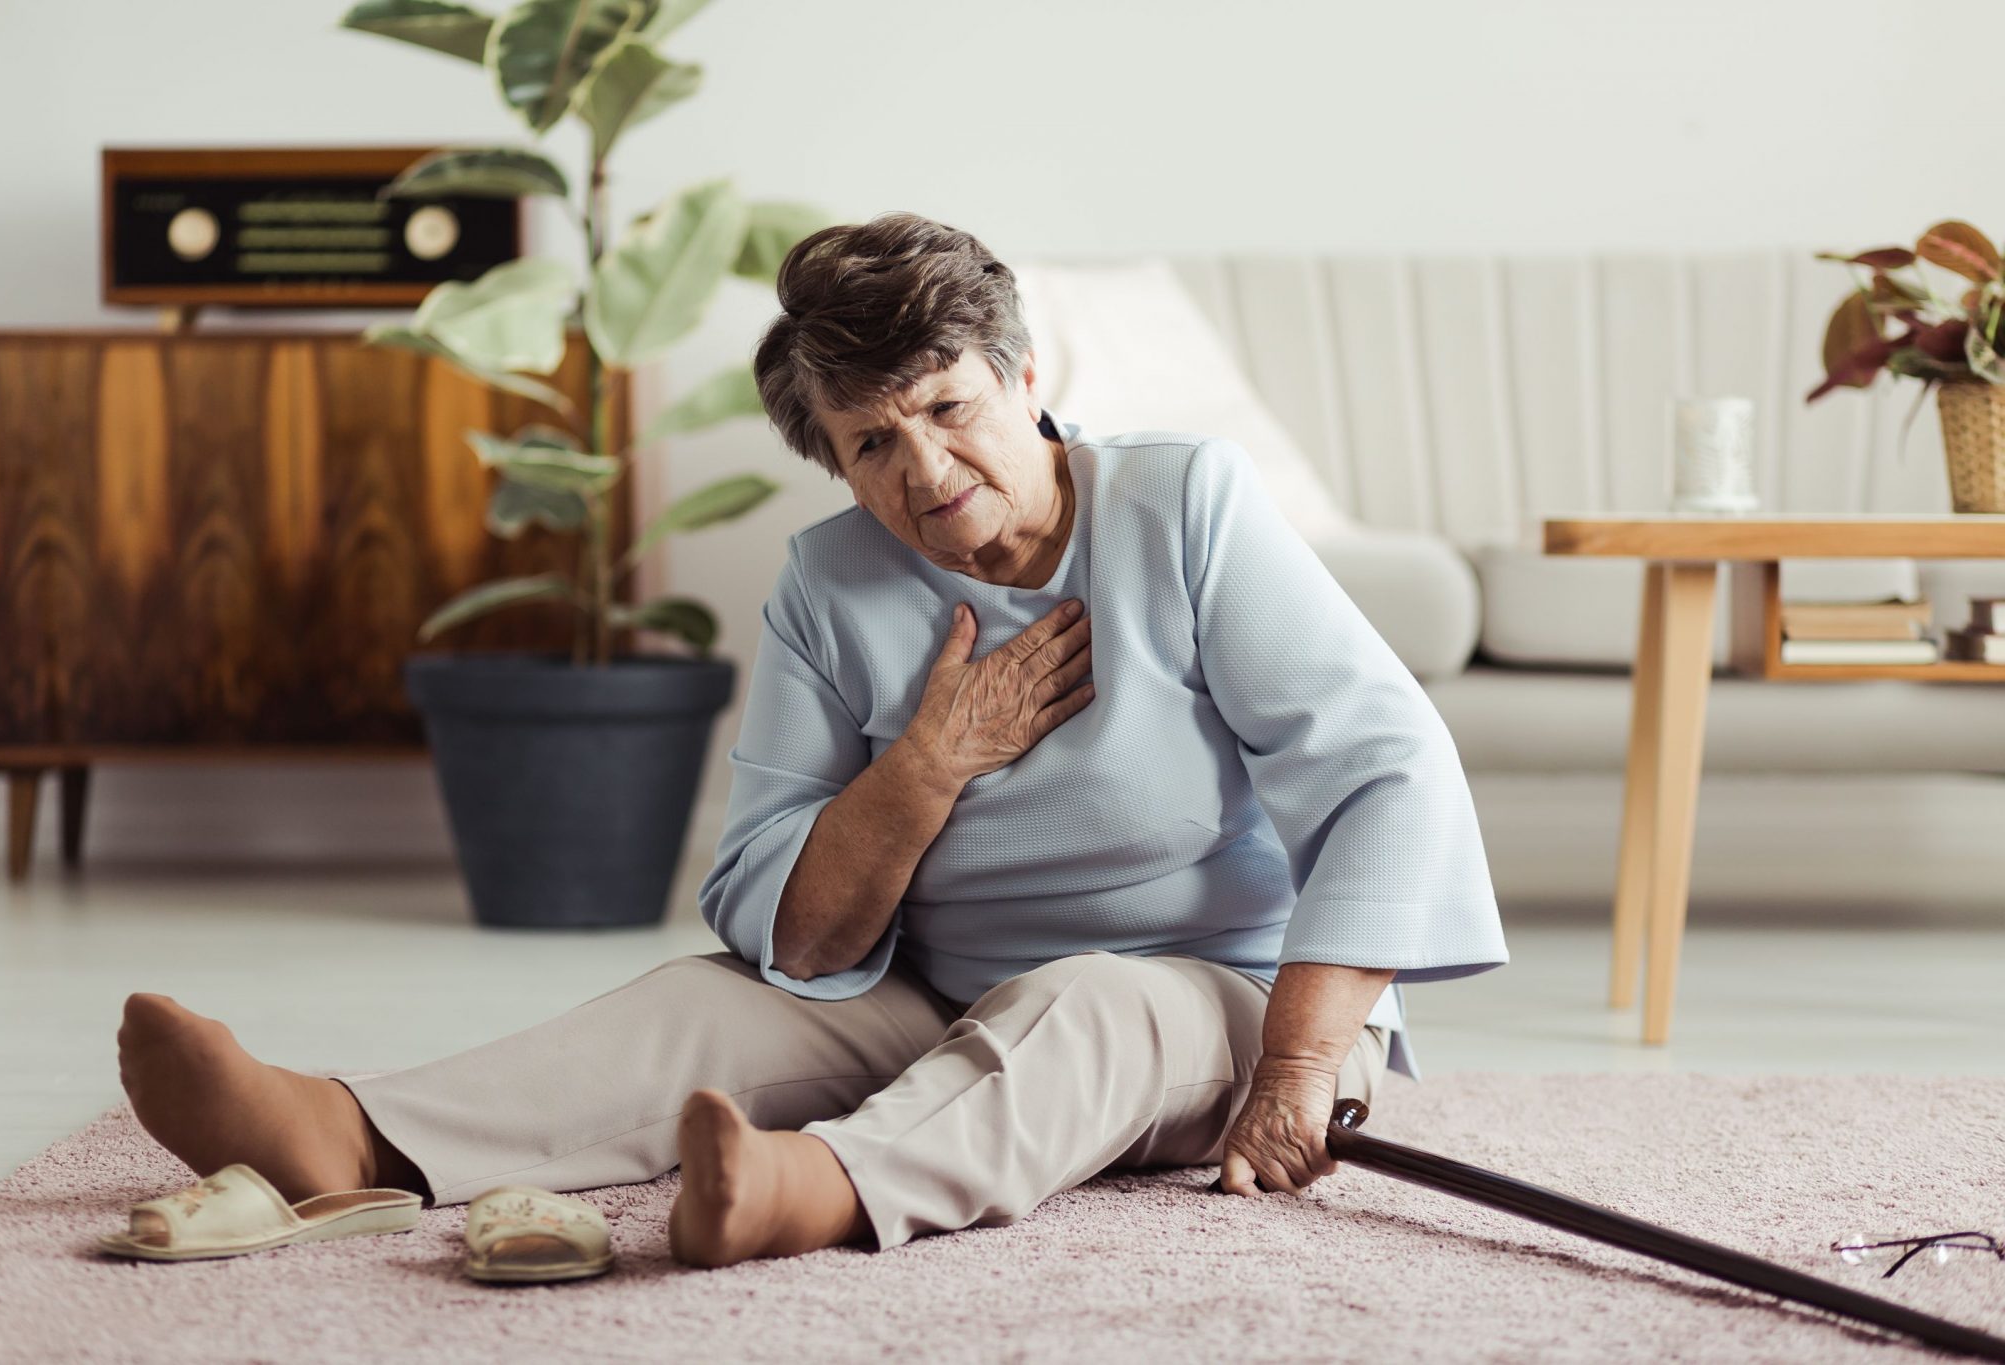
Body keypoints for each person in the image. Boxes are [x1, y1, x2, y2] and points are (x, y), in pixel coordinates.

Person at [114, 212, 1509, 1269]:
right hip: (933, 988)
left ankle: (815, 1186)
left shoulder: (1186, 505)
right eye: (871, 444)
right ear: (835, 463)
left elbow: (1384, 770)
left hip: (1227, 1002)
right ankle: (343, 1130)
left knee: (1085, 1003)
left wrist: (1302, 1068)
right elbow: (792, 919)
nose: (926, 469)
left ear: (1024, 377)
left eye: (948, 409)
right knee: (701, 1003)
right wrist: (922, 767)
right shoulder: (828, 583)